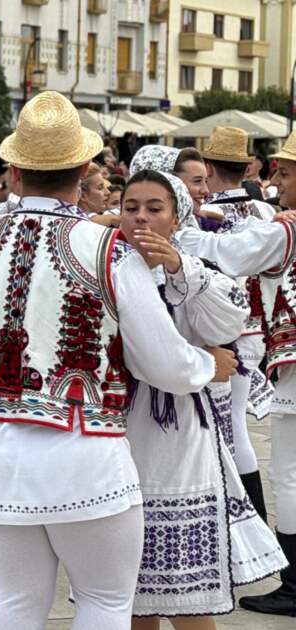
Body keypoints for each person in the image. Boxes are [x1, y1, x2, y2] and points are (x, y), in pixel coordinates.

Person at [0, 91, 233, 630]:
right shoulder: (107, 248)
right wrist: (209, 365)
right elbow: (163, 364)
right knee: (104, 601)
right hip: (82, 452)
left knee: (17, 599)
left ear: (15, 170)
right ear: (86, 168)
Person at [117, 166, 285, 626]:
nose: (141, 219)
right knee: (131, 590)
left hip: (179, 435)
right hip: (118, 431)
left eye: (155, 208)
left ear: (177, 217)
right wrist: (206, 362)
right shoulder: (106, 266)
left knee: (189, 590)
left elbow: (227, 324)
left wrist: (176, 266)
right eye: (130, 208)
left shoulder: (196, 271)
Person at [170, 129, 296, 617]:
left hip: (238, 341)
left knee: (287, 468)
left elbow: (227, 254)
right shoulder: (269, 216)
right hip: (255, 342)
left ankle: (293, 579)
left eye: (285, 174)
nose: (275, 182)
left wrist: (164, 230)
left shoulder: (281, 226)